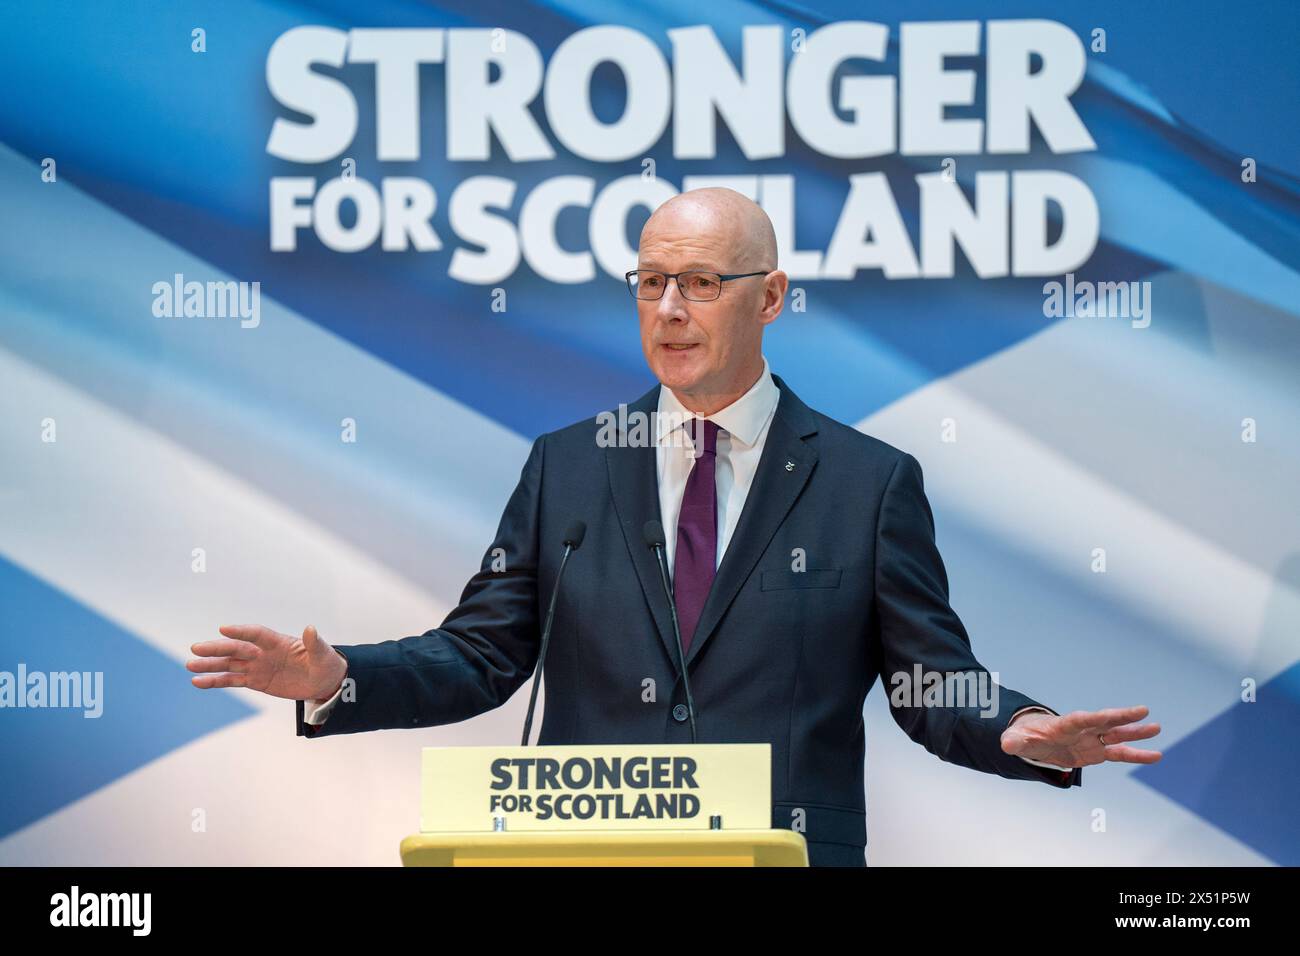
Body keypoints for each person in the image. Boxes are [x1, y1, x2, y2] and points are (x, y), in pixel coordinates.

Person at [188, 187, 1161, 866]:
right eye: (650, 282)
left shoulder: (867, 482)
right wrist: (336, 677)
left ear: (770, 296)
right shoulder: (569, 463)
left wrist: (1021, 729)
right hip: (581, 859)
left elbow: (923, 677)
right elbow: (482, 652)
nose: (668, 308)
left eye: (700, 282)